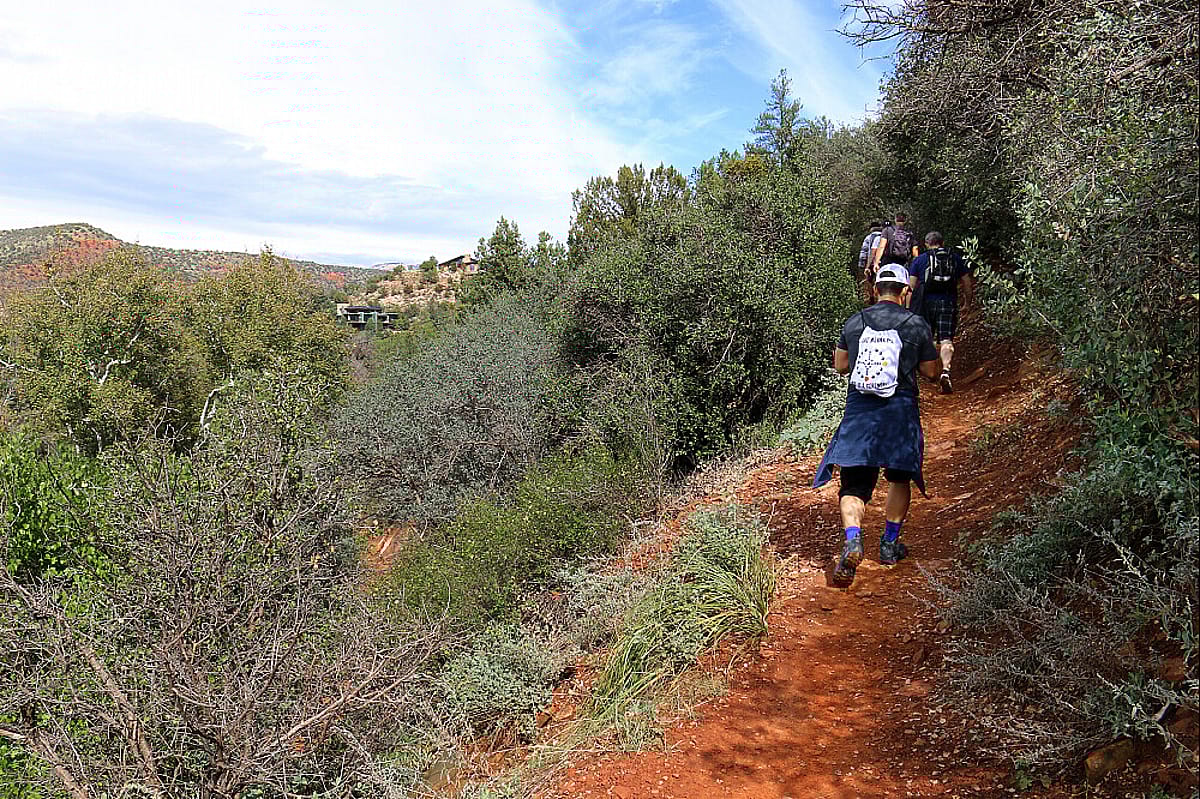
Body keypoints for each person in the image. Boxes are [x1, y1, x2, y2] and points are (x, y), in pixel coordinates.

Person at [813, 264, 941, 585]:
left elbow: (841, 366)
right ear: (905, 291)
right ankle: (888, 544)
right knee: (899, 477)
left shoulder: (855, 322)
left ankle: (854, 539)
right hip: (899, 411)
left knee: (854, 484)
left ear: (875, 289)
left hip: (859, 413)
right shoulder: (916, 324)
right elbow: (930, 372)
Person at [909, 231, 974, 393]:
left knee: (929, 337)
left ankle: (932, 371)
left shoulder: (920, 260)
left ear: (926, 244)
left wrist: (908, 309)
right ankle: (945, 370)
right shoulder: (955, 258)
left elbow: (911, 287)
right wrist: (967, 303)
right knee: (946, 339)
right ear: (942, 242)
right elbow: (966, 282)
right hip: (948, 302)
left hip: (925, 303)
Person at [857, 220, 885, 303]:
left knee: (870, 281)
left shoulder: (868, 237)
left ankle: (872, 297)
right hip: (883, 262)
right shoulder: (885, 236)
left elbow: (864, 251)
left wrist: (863, 266)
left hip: (872, 263)